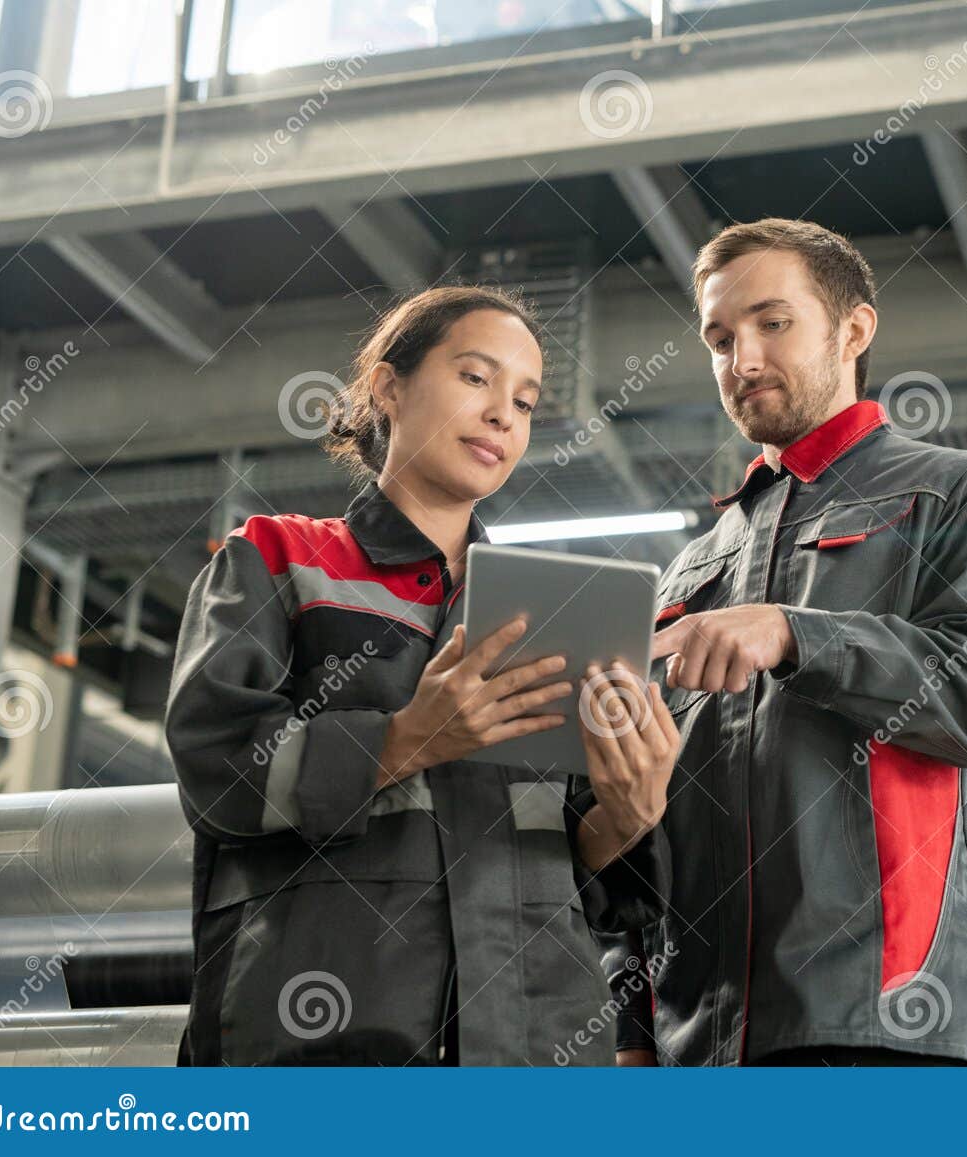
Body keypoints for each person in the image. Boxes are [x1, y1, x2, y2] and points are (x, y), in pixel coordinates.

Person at [164, 284, 677, 1065]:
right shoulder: (277, 557)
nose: (506, 414)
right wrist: (403, 740)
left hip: (535, 1053)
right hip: (323, 1046)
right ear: (389, 386)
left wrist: (630, 811)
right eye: (476, 378)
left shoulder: (559, 612)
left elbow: (589, 875)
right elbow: (219, 768)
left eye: (527, 401)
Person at [608, 218, 967, 1066]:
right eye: (720, 337)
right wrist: (633, 1022)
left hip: (896, 1030)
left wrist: (795, 632)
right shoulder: (689, 571)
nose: (743, 361)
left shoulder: (953, 495)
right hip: (703, 1046)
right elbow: (641, 818)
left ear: (854, 330)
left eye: (773, 323)